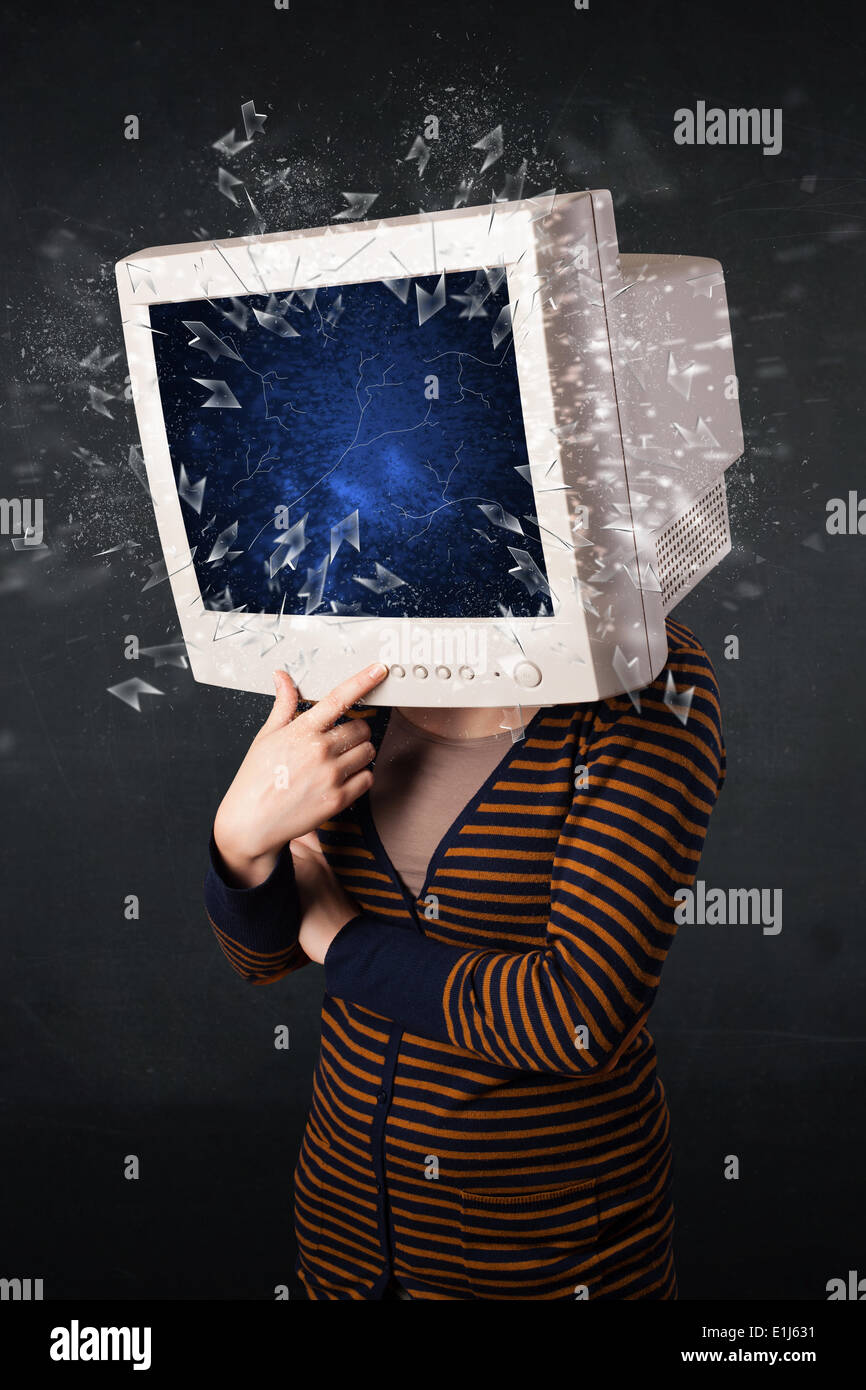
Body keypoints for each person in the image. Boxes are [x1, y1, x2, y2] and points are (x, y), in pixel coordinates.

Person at [205, 614, 726, 1301]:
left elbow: (579, 1016)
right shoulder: (351, 641)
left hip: (545, 1258)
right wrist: (239, 842)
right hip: (344, 1238)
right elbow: (263, 956)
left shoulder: (643, 672)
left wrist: (343, 938)